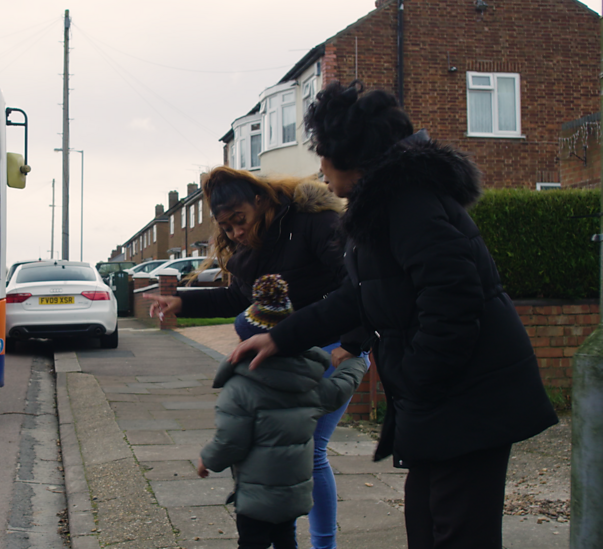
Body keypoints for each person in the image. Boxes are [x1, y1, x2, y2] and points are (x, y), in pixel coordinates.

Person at [229, 80, 558, 549]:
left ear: (352, 157)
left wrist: (417, 379)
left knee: (458, 531)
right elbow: (355, 297)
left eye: (322, 153)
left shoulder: (411, 205)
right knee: (427, 522)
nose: (319, 166)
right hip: (441, 401)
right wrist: (281, 337)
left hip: (468, 399)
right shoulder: (383, 207)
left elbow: (454, 304)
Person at [147, 166, 361, 549]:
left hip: (332, 348)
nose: (235, 232)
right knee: (292, 450)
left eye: (239, 220)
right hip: (285, 349)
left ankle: (323, 545)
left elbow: (357, 282)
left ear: (260, 200)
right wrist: (181, 299)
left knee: (310, 449)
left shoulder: (312, 221)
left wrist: (355, 342)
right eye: (227, 227)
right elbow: (240, 298)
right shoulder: (249, 246)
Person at [197, 274, 368, 549]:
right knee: (285, 538)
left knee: (252, 542)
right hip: (292, 494)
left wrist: (209, 460)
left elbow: (231, 439)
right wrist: (357, 360)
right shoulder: (311, 382)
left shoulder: (241, 387)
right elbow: (340, 389)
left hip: (255, 494)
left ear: (246, 340)